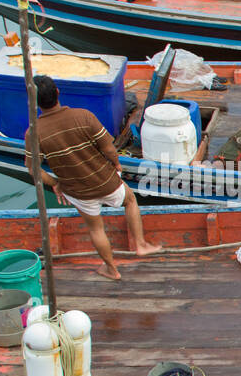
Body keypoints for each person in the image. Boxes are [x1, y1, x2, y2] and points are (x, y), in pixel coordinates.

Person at [23, 75, 162, 281]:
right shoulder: (83, 116)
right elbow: (109, 148)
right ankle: (140, 245)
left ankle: (111, 269)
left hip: (77, 191)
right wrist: (116, 164)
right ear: (58, 93)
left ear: (33, 102)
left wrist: (55, 183)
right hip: (106, 180)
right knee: (130, 200)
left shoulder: (33, 133)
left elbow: (33, 169)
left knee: (96, 228)